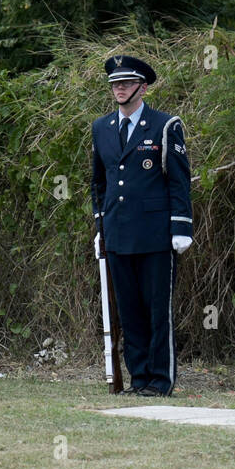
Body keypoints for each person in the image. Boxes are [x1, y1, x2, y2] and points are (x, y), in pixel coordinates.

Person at [91, 55, 192, 397]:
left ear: (142, 87)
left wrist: (181, 227)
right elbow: (99, 181)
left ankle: (160, 380)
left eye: (125, 84)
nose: (119, 89)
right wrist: (99, 224)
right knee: (130, 312)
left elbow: (179, 182)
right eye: (114, 84)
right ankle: (139, 378)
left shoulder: (165, 126)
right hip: (117, 233)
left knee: (156, 311)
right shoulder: (102, 127)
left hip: (155, 234)